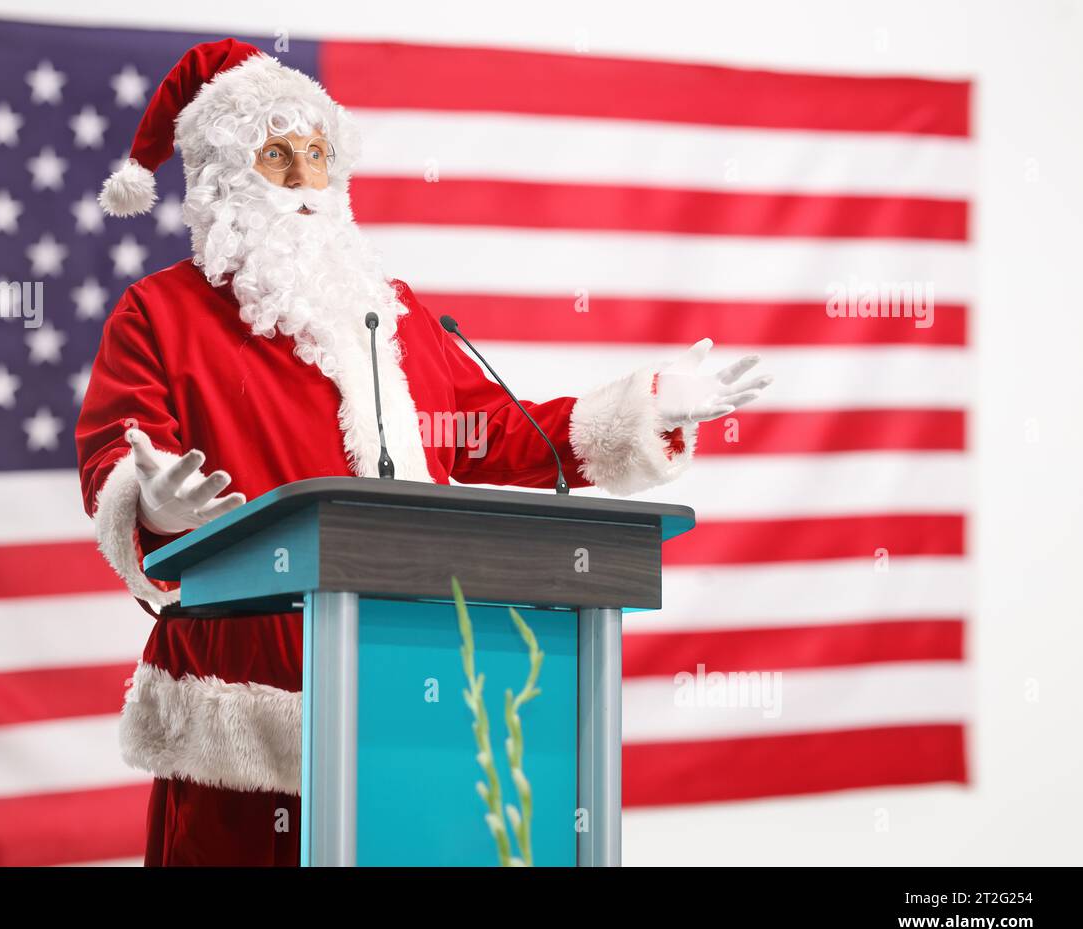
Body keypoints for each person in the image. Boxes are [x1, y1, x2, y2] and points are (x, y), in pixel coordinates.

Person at [75, 38, 773, 866]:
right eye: (276, 157)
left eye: (316, 156)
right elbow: (118, 458)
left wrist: (641, 407)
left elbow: (496, 433)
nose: (304, 182)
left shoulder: (393, 314)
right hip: (243, 705)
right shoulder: (160, 312)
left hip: (408, 687)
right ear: (223, 173)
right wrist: (152, 506)